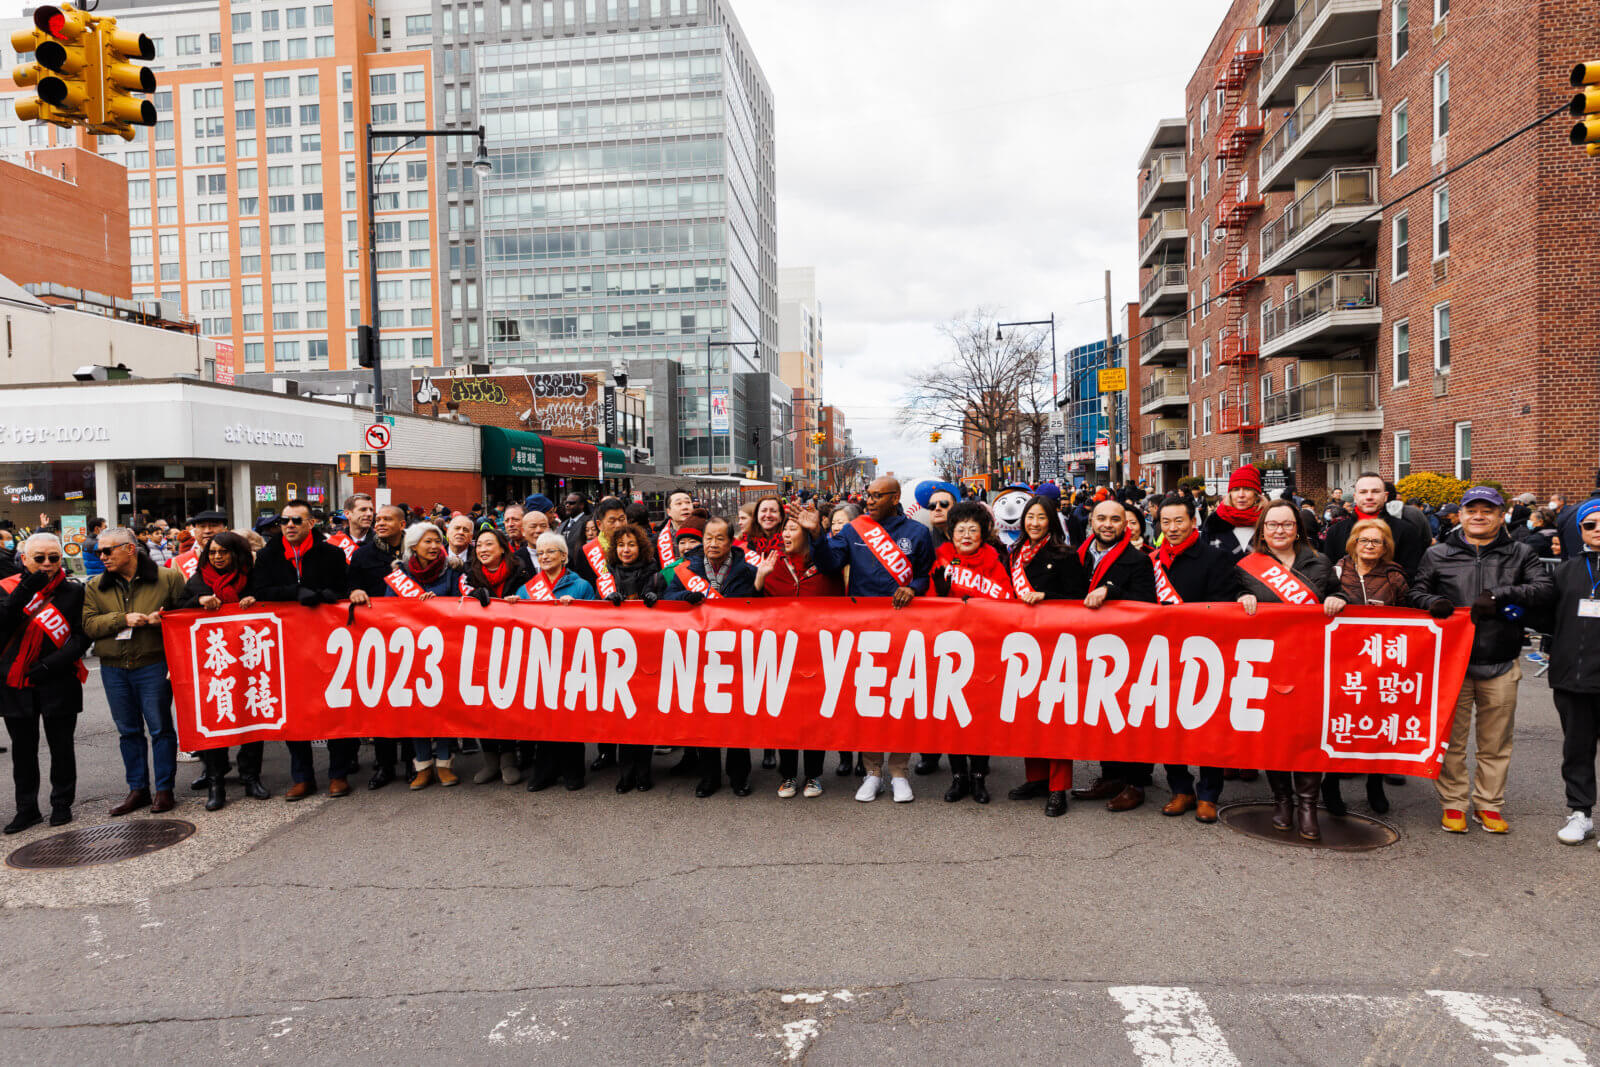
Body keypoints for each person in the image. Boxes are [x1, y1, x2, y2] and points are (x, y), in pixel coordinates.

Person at [1409, 486, 1555, 834]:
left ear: (1500, 514)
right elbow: (1416, 591)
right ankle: (1454, 803)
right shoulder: (1439, 553)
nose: (1479, 516)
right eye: (1471, 510)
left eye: (1487, 510)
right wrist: (1432, 603)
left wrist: (1502, 594)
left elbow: (1544, 589)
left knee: (1495, 742)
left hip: (1501, 660)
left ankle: (1489, 804)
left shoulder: (1520, 553)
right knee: (1452, 742)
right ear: (1460, 515)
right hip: (1451, 664)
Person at [793, 477, 934, 804]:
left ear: (895, 497)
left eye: (877, 496)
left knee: (899, 702)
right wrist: (816, 534)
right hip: (864, 629)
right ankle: (872, 772)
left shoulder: (917, 533)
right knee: (869, 702)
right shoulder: (856, 529)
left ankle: (899, 771)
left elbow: (928, 574)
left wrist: (914, 587)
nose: (869, 500)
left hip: (904, 629)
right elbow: (829, 563)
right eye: (868, 495)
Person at [1236, 500, 1347, 841]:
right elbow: (1230, 599)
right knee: (1276, 734)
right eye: (1272, 525)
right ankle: (1282, 799)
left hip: (1310, 662)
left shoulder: (1319, 562)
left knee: (1309, 734)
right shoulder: (1246, 566)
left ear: (1297, 528)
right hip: (1269, 662)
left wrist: (1339, 598)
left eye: (1286, 524)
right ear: (1262, 531)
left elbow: (1337, 592)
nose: (1279, 531)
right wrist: (1241, 597)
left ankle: (1308, 804)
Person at [81, 525, 188, 816]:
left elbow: (187, 615)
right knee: (128, 731)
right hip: (114, 667)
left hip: (153, 663)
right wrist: (122, 619)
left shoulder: (167, 578)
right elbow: (89, 625)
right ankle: (138, 789)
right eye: (98, 551)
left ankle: (164, 790)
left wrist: (162, 619)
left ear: (129, 549)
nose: (101, 556)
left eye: (107, 550)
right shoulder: (95, 585)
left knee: (160, 728)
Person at [254, 500, 355, 801]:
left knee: (335, 705)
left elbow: (345, 588)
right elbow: (260, 593)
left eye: (297, 520)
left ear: (311, 523)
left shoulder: (332, 553)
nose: (290, 525)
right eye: (285, 520)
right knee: (294, 710)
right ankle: (303, 777)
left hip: (328, 641)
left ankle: (338, 774)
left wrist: (327, 596)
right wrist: (294, 593)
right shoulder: (268, 555)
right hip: (288, 644)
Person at [1150, 494, 1240, 823]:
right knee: (1170, 726)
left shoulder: (1215, 558)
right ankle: (1180, 788)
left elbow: (1222, 604)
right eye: (1165, 522)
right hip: (1164, 655)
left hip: (1204, 654)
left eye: (1178, 521)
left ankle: (1208, 794)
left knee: (1206, 726)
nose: (1172, 528)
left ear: (1193, 521)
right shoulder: (1153, 560)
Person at [1073, 497, 1159, 812]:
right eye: (1101, 518)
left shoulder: (1138, 561)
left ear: (1125, 525)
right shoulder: (1079, 556)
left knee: (1132, 718)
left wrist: (1111, 589)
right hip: (1091, 649)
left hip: (1126, 651)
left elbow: (1146, 603)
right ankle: (1110, 776)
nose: (1107, 524)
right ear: (1091, 522)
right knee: (1102, 716)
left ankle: (1135, 782)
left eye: (1114, 519)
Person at [665, 516, 761, 797]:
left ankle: (739, 775)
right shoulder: (686, 569)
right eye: (708, 538)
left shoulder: (747, 570)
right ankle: (709, 776)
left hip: (736, 654)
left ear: (731, 542)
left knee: (736, 719)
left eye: (720, 538)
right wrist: (685, 596)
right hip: (699, 655)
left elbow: (760, 607)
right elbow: (666, 598)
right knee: (705, 718)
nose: (713, 543)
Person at [1007, 494, 1088, 816]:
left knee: (1054, 717)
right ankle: (1036, 778)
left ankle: (1058, 788)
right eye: (1030, 517)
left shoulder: (1065, 555)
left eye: (1041, 517)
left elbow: (1078, 597)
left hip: (1055, 646)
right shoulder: (1014, 553)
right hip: (1021, 644)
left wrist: (1047, 596)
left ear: (1051, 521)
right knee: (1028, 713)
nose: (1034, 523)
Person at [1322, 518, 1409, 817]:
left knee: (1376, 724)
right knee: (1338, 725)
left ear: (1386, 547)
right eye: (1364, 540)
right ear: (1354, 543)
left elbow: (1410, 616)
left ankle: (1375, 784)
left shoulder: (1395, 577)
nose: (1370, 546)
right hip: (1340, 660)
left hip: (1379, 662)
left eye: (1377, 541)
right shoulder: (1335, 570)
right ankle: (1330, 785)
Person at [0, 533, 87, 832]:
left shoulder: (73, 591)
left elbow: (80, 637)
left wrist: (51, 665)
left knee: (61, 747)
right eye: (39, 558)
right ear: (24, 559)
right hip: (15, 683)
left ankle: (61, 804)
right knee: (23, 750)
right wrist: (24, 592)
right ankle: (27, 808)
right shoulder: (6, 588)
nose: (47, 564)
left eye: (54, 558)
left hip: (58, 679)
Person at [929, 500, 1013, 805]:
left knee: (979, 715)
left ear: (983, 532)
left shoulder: (994, 561)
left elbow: (1005, 602)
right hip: (949, 651)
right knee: (953, 715)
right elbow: (927, 606)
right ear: (950, 533)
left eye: (972, 530)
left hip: (983, 649)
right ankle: (958, 776)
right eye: (960, 529)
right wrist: (937, 593)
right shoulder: (939, 559)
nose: (966, 535)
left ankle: (978, 777)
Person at [180, 531, 269, 811]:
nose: (217, 557)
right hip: (214, 663)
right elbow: (178, 609)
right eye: (213, 552)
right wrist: (199, 601)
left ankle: (251, 776)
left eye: (224, 552)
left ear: (236, 553)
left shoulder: (252, 577)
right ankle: (216, 781)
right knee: (216, 718)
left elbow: (271, 601)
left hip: (248, 659)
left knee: (252, 714)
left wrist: (256, 600)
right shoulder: (199, 580)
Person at [754, 516, 840, 783]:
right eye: (784, 530)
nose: (786, 535)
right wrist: (759, 580)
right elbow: (750, 610)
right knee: (785, 718)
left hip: (818, 655)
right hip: (782, 656)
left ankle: (813, 775)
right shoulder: (773, 564)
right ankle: (788, 775)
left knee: (815, 719)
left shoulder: (828, 567)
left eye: (792, 529)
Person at [380, 522, 462, 790]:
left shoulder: (450, 570)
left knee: (444, 707)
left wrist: (439, 605)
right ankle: (423, 765)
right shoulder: (401, 574)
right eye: (427, 541)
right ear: (413, 546)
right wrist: (414, 606)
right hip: (411, 649)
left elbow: (462, 602)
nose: (434, 546)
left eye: (437, 541)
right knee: (416, 709)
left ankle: (444, 764)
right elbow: (389, 609)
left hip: (445, 647)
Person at [520, 531, 594, 792]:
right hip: (540, 662)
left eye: (550, 551)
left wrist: (578, 608)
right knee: (543, 719)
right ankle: (545, 771)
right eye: (540, 553)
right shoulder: (528, 588)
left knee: (569, 718)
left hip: (571, 660)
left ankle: (573, 771)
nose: (545, 557)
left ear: (563, 556)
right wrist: (512, 606)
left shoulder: (582, 586)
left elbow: (596, 621)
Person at [460, 527, 533, 787]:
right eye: (479, 545)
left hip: (515, 647)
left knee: (508, 703)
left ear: (503, 548)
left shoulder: (522, 570)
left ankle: (508, 759)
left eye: (489, 544)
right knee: (483, 705)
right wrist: (471, 597)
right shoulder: (469, 575)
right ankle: (490, 760)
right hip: (481, 649)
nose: (483, 550)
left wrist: (518, 603)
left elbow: (535, 601)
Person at [347, 505, 411, 789]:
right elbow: (348, 586)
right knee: (382, 702)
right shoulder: (363, 555)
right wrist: (353, 591)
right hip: (378, 638)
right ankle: (385, 765)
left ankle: (413, 762)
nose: (380, 522)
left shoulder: (417, 549)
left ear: (402, 523)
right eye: (379, 519)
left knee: (411, 700)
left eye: (387, 518)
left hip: (413, 637)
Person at [1549, 497, 1600, 847]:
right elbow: (1546, 617)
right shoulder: (1566, 570)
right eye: (1590, 525)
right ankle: (1580, 813)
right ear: (1580, 530)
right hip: (1574, 679)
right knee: (1577, 751)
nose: (1598, 530)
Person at [569, 497, 630, 772]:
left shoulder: (635, 544)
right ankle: (606, 750)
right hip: (600, 627)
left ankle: (632, 749)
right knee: (604, 693)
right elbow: (584, 588)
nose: (618, 525)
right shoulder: (587, 552)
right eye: (612, 520)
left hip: (632, 624)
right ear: (599, 524)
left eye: (622, 519)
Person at [604, 524, 665, 793]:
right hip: (615, 656)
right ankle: (625, 774)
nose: (625, 550)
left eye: (631, 545)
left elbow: (668, 607)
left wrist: (657, 599)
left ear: (640, 547)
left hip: (647, 654)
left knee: (643, 716)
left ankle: (643, 772)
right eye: (621, 545)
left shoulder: (655, 576)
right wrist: (607, 601)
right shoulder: (606, 575)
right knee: (621, 719)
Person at [1321, 473, 1426, 577]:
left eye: (1375, 491)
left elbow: (1411, 574)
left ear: (1385, 496)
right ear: (1355, 497)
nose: (1369, 497)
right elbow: (1330, 574)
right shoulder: (1335, 532)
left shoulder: (1406, 531)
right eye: (1363, 492)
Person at [1203, 466, 1265, 559]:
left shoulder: (1268, 522)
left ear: (1256, 495)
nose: (1241, 495)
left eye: (1247, 489)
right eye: (1236, 489)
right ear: (1230, 494)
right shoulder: (1214, 522)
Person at [165, 509, 230, 580]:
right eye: (202, 526)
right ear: (195, 532)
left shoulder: (238, 556)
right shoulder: (178, 562)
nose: (207, 531)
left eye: (214, 525)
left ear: (225, 530)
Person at [327, 493, 375, 563]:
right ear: (347, 514)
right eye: (363, 509)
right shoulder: (333, 544)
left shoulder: (383, 543)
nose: (369, 514)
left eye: (371, 510)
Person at [654, 489, 696, 568]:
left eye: (688, 502)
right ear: (668, 511)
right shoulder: (657, 540)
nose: (685, 507)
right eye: (679, 503)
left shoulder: (705, 533)